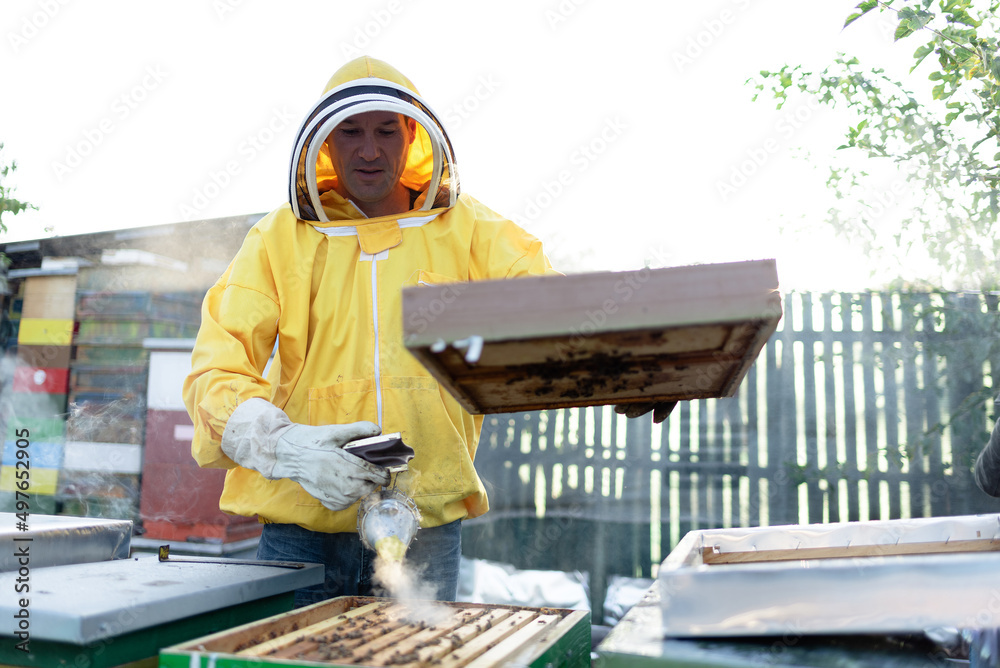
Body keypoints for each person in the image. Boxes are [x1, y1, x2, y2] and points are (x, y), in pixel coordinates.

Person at [183, 56, 672, 608]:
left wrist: (621, 369)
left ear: (412, 136)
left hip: (425, 524)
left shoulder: (469, 229)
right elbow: (214, 371)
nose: (369, 149)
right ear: (325, 142)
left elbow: (554, 316)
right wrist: (285, 448)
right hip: (300, 524)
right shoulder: (278, 239)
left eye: (386, 130)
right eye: (351, 131)